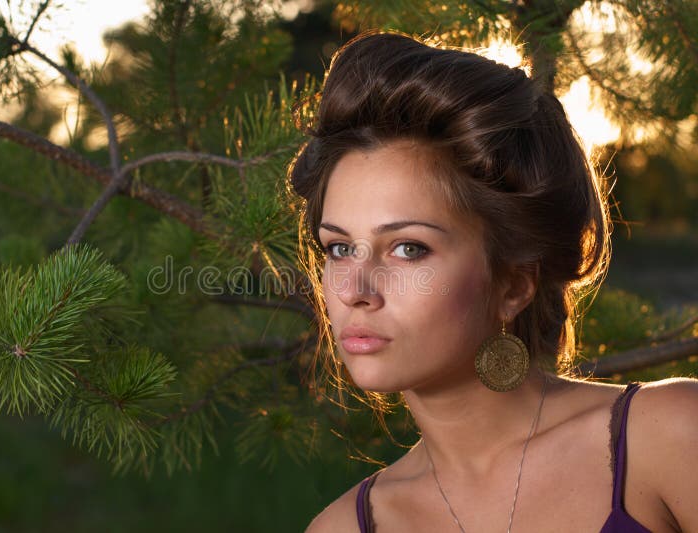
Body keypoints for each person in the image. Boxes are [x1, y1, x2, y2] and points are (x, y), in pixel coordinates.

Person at [289, 31, 698, 532]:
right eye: (339, 248)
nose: (354, 290)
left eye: (408, 248)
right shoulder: (342, 529)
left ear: (513, 286)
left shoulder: (669, 437)